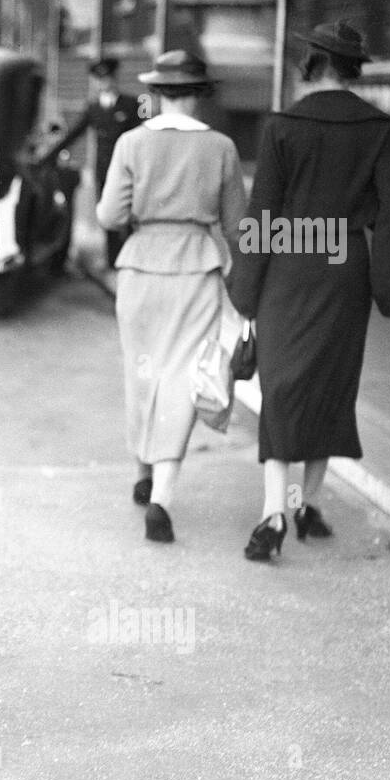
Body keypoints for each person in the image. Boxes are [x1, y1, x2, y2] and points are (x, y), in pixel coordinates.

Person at [227, 20, 390, 562]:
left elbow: (263, 210)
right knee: (331, 385)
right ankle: (305, 504)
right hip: (344, 270)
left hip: (288, 265)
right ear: (354, 68)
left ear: (312, 64)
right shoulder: (378, 128)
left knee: (282, 387)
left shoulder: (284, 124)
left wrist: (246, 288)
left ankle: (273, 513)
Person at [95, 50, 245, 544]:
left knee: (141, 370)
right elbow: (236, 226)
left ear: (156, 93)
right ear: (201, 95)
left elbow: (110, 217)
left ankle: (142, 467)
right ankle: (161, 495)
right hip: (197, 267)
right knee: (181, 376)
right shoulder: (222, 146)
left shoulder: (131, 143)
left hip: (139, 268)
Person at [38, 57, 141, 267]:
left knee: (130, 215)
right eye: (100, 79)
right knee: (108, 215)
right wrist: (47, 157)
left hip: (129, 170)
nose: (105, 83)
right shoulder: (93, 108)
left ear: (115, 78)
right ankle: (113, 261)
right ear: (95, 81)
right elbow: (74, 134)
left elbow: (142, 137)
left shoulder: (132, 104)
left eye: (108, 78)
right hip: (104, 171)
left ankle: (131, 261)